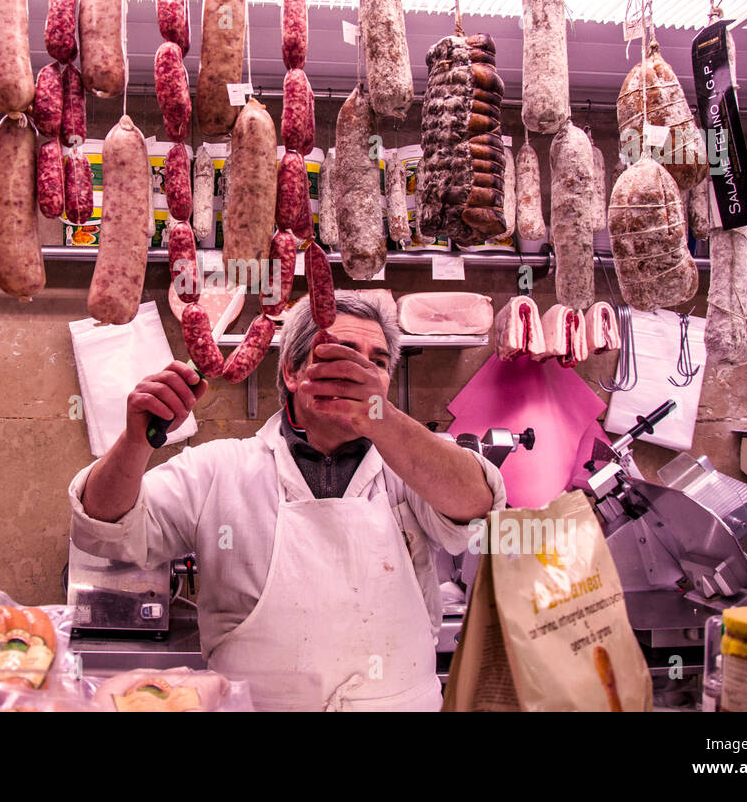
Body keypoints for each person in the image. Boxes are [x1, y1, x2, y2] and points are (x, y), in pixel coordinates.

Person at [68, 291, 505, 711]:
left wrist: (381, 417)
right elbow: (104, 531)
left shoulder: (409, 468)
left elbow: (477, 507)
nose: (361, 371)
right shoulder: (218, 469)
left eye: (377, 363)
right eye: (342, 353)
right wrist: (134, 440)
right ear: (293, 373)